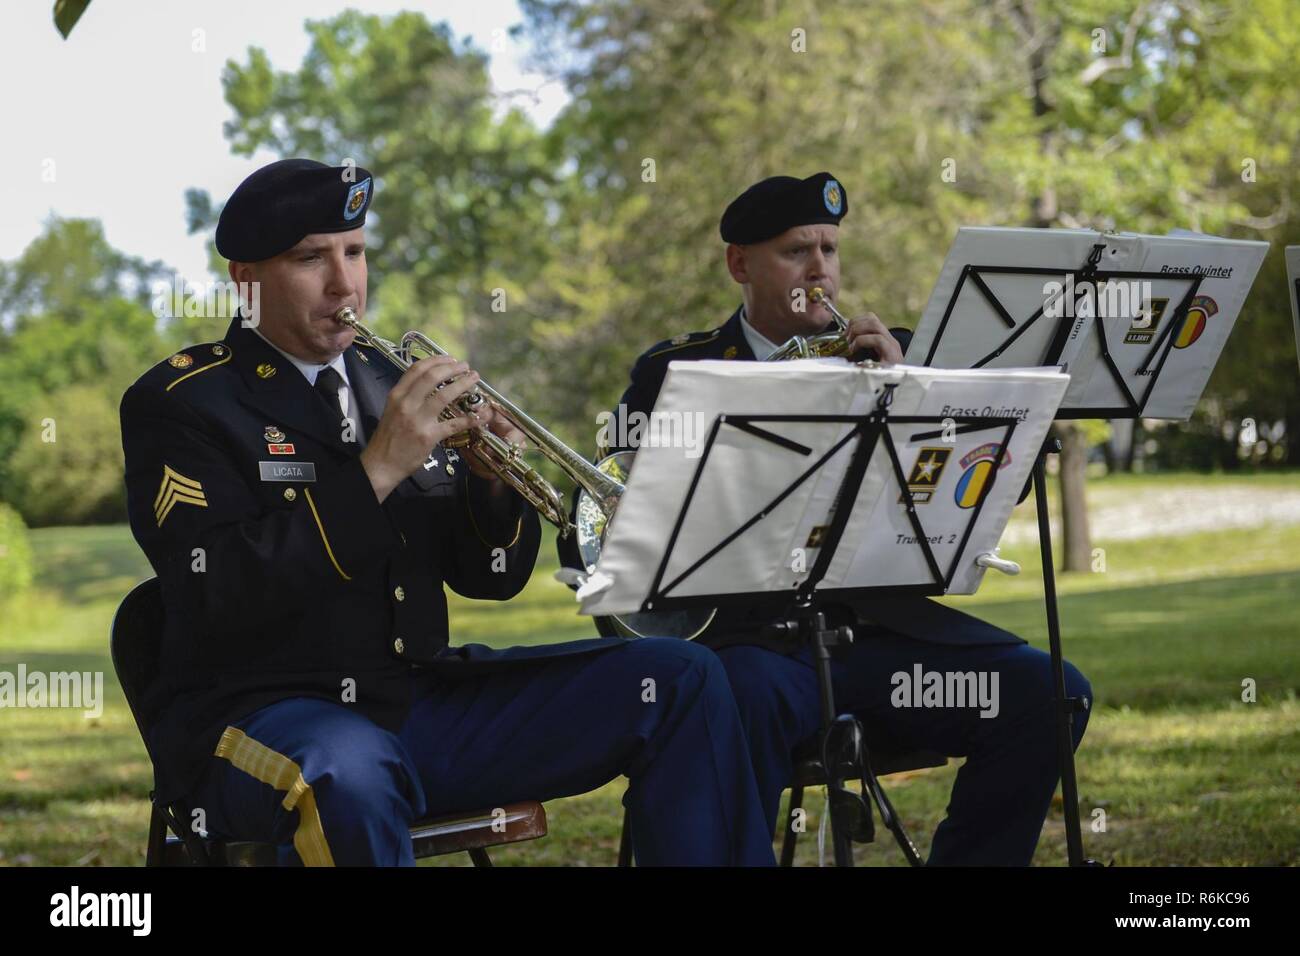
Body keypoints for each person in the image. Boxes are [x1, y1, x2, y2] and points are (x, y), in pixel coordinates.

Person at [120, 158, 775, 866]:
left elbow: (487, 579)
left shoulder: (387, 383)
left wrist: (491, 485)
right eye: (311, 259)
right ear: (245, 279)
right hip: (258, 718)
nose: (346, 283)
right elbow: (219, 589)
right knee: (345, 774)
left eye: (356, 252)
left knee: (682, 678)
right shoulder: (184, 403)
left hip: (417, 705)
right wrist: (378, 469)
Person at [562, 172, 1093, 865]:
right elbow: (600, 515)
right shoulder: (675, 372)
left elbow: (994, 481)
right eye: (796, 251)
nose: (821, 272)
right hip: (750, 650)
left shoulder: (893, 354)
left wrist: (913, 396)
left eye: (831, 251)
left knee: (1048, 695)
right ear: (740, 265)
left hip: (880, 641)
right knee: (719, 714)